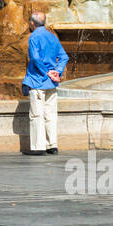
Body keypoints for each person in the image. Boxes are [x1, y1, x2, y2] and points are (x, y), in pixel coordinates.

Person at [22, 11, 68, 156]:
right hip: (51, 84)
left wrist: (46, 72)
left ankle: (38, 146)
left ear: (32, 23)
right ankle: (52, 145)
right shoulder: (52, 37)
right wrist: (56, 71)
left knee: (37, 115)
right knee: (51, 114)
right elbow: (64, 56)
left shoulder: (34, 37)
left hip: (37, 81)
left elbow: (35, 58)